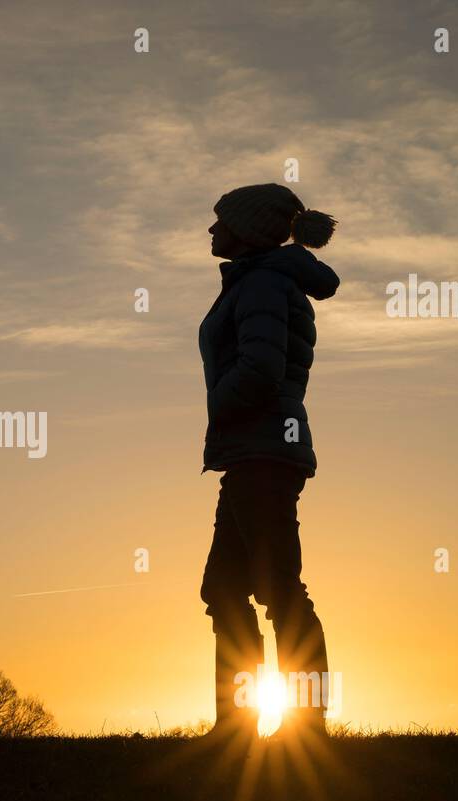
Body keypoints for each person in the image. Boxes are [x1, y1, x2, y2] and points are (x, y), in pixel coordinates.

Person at [197, 183, 339, 747]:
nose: (211, 231)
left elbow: (259, 367)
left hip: (263, 453)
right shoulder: (259, 280)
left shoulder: (261, 283)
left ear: (248, 231)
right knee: (225, 587)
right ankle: (234, 726)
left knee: (278, 589)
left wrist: (220, 408)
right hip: (254, 452)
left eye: (221, 222)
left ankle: (306, 727)